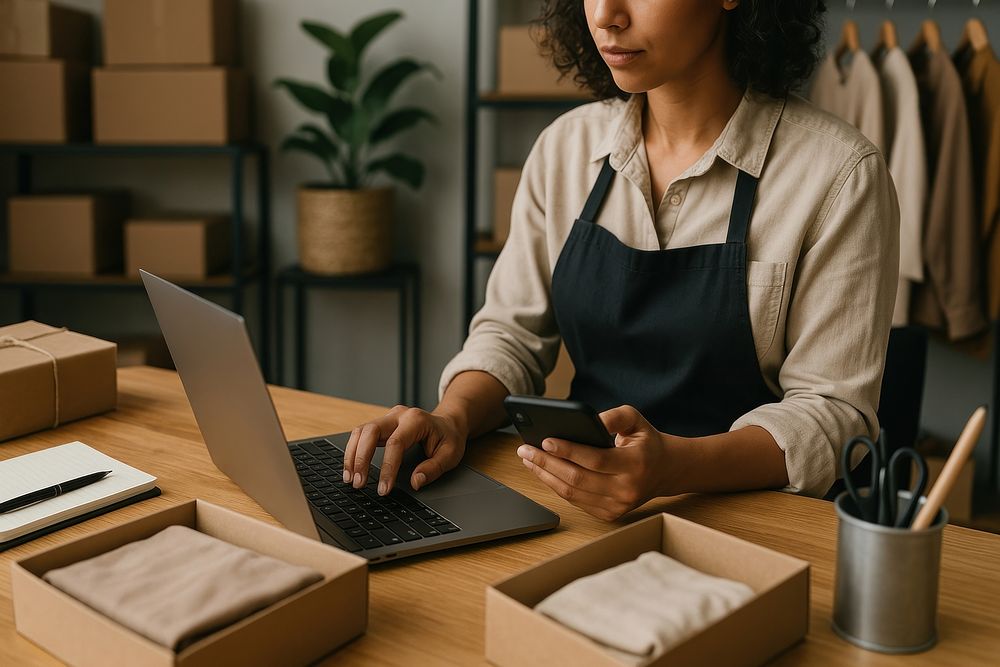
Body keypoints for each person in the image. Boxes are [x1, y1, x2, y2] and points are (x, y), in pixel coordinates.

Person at [343, 0, 899, 520]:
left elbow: (831, 411)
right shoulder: (565, 150)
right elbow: (509, 336)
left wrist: (674, 466)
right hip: (579, 504)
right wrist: (452, 418)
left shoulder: (838, 175)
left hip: (757, 516)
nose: (607, 15)